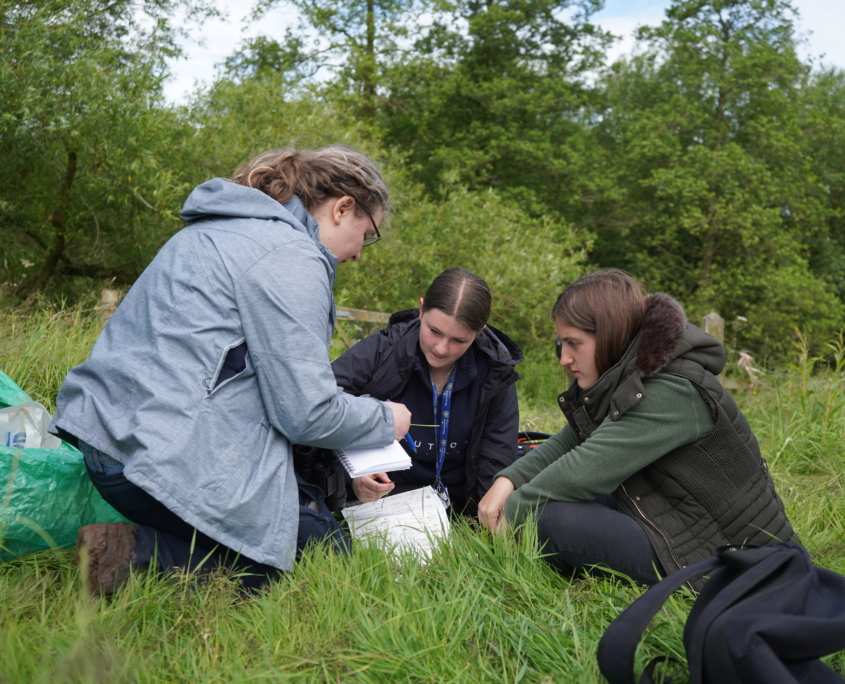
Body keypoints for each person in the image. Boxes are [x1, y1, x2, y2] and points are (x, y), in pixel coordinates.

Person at [50, 145, 412, 594]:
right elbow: (306, 414)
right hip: (153, 457)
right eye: (368, 233)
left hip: (110, 442)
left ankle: (154, 544)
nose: (359, 253)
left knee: (301, 523)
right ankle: (135, 555)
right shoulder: (292, 256)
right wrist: (384, 420)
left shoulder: (222, 228)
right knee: (321, 558)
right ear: (342, 208)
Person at [478, 269, 796, 588]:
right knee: (547, 500)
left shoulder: (674, 390)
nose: (563, 358)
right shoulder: (627, 375)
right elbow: (570, 441)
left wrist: (514, 509)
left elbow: (588, 467)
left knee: (550, 518)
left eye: (574, 344)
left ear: (611, 337)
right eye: (561, 343)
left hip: (729, 557)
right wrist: (508, 480)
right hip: (671, 517)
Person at [331, 268, 523, 515]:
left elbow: (497, 457)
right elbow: (321, 407)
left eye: (458, 341)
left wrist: (482, 524)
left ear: (480, 331)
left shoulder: (496, 372)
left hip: (460, 504)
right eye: (435, 332)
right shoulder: (382, 350)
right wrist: (353, 474)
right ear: (421, 309)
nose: (441, 349)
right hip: (387, 501)